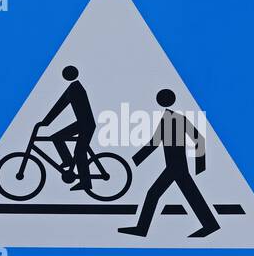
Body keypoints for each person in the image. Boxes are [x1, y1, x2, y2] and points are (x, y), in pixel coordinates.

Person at [118, 88, 220, 238]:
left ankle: (142, 228)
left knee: (153, 194)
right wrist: (136, 159)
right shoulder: (169, 118)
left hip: (176, 166)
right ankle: (210, 224)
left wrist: (200, 165)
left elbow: (198, 139)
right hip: (175, 166)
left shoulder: (175, 119)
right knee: (190, 195)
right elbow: (156, 141)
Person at [39, 65, 96, 191]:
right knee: (56, 137)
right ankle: (68, 161)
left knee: (79, 152)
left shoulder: (75, 88)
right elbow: (59, 106)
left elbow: (59, 106)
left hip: (85, 125)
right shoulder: (72, 88)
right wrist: (45, 122)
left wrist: (46, 122)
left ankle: (85, 182)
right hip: (82, 124)